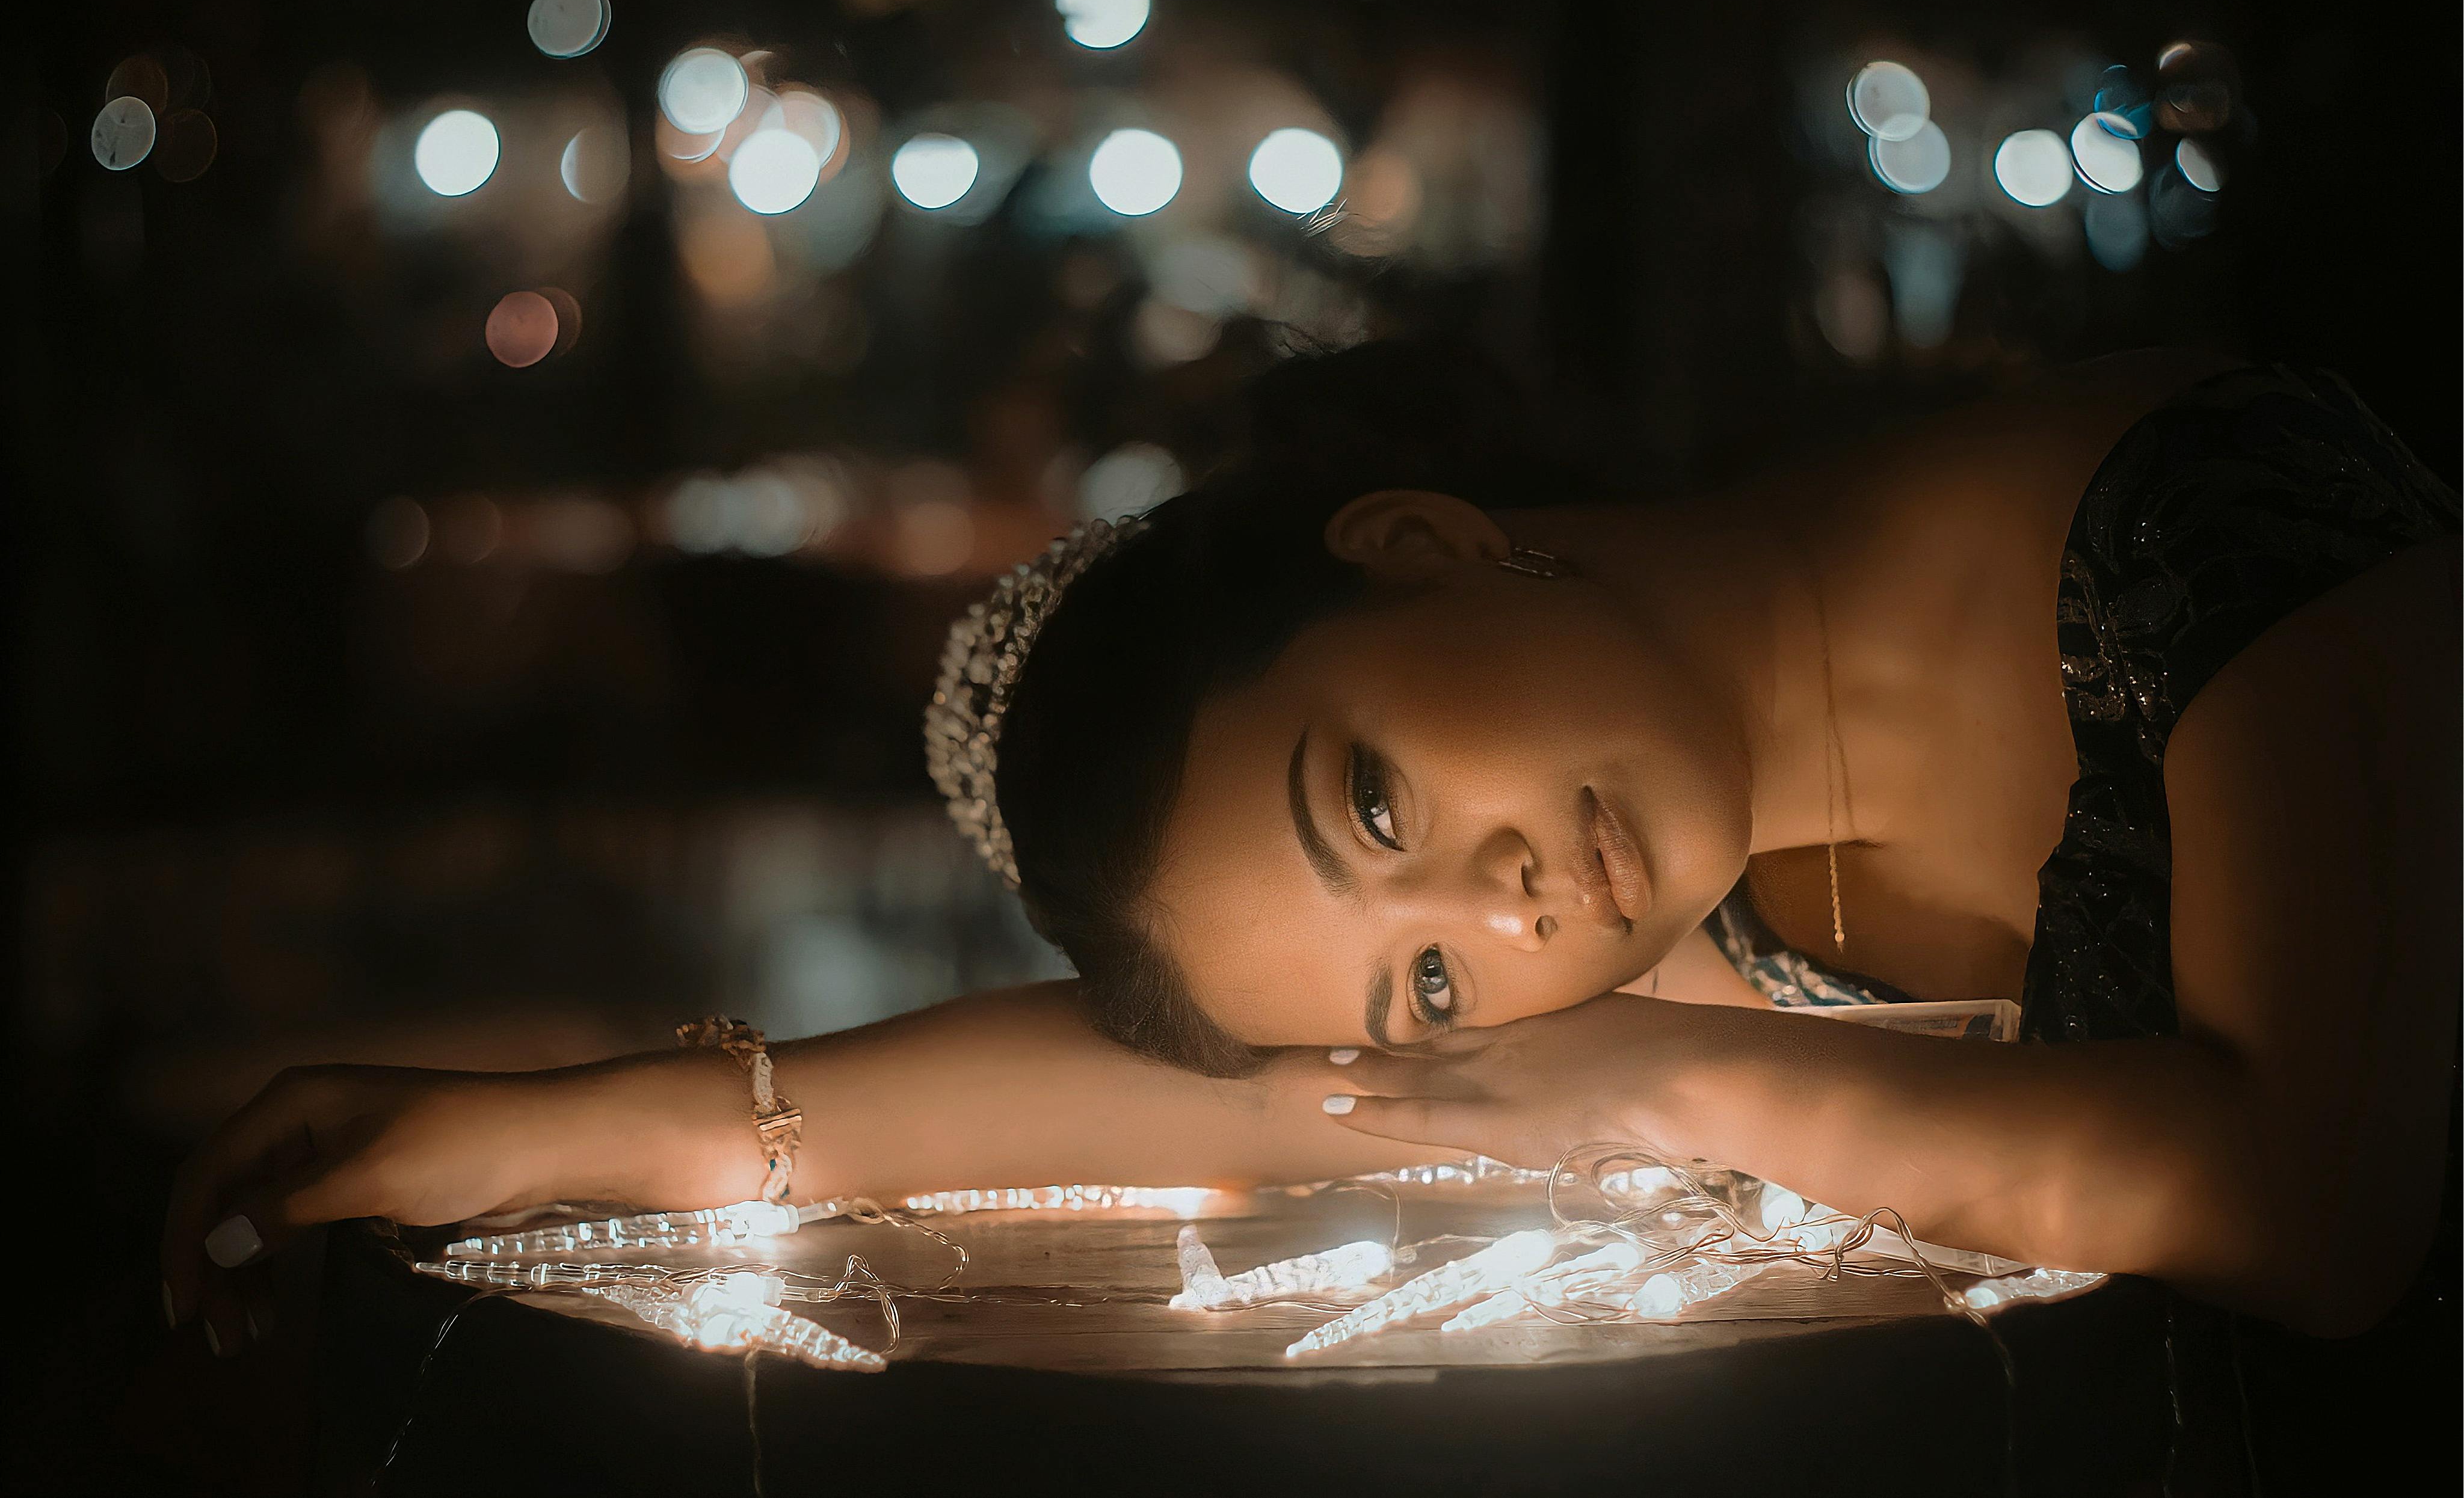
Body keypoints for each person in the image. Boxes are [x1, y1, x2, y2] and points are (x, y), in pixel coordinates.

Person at [162, 340, 2457, 1411]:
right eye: (1429, 984)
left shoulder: (2189, 520)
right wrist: (531, 1126)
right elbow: (1200, 1101)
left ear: (1423, 542)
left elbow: (2316, 1208)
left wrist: (1680, 1086)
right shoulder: (1687, 922)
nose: (1504, 917)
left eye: (1369, 803)